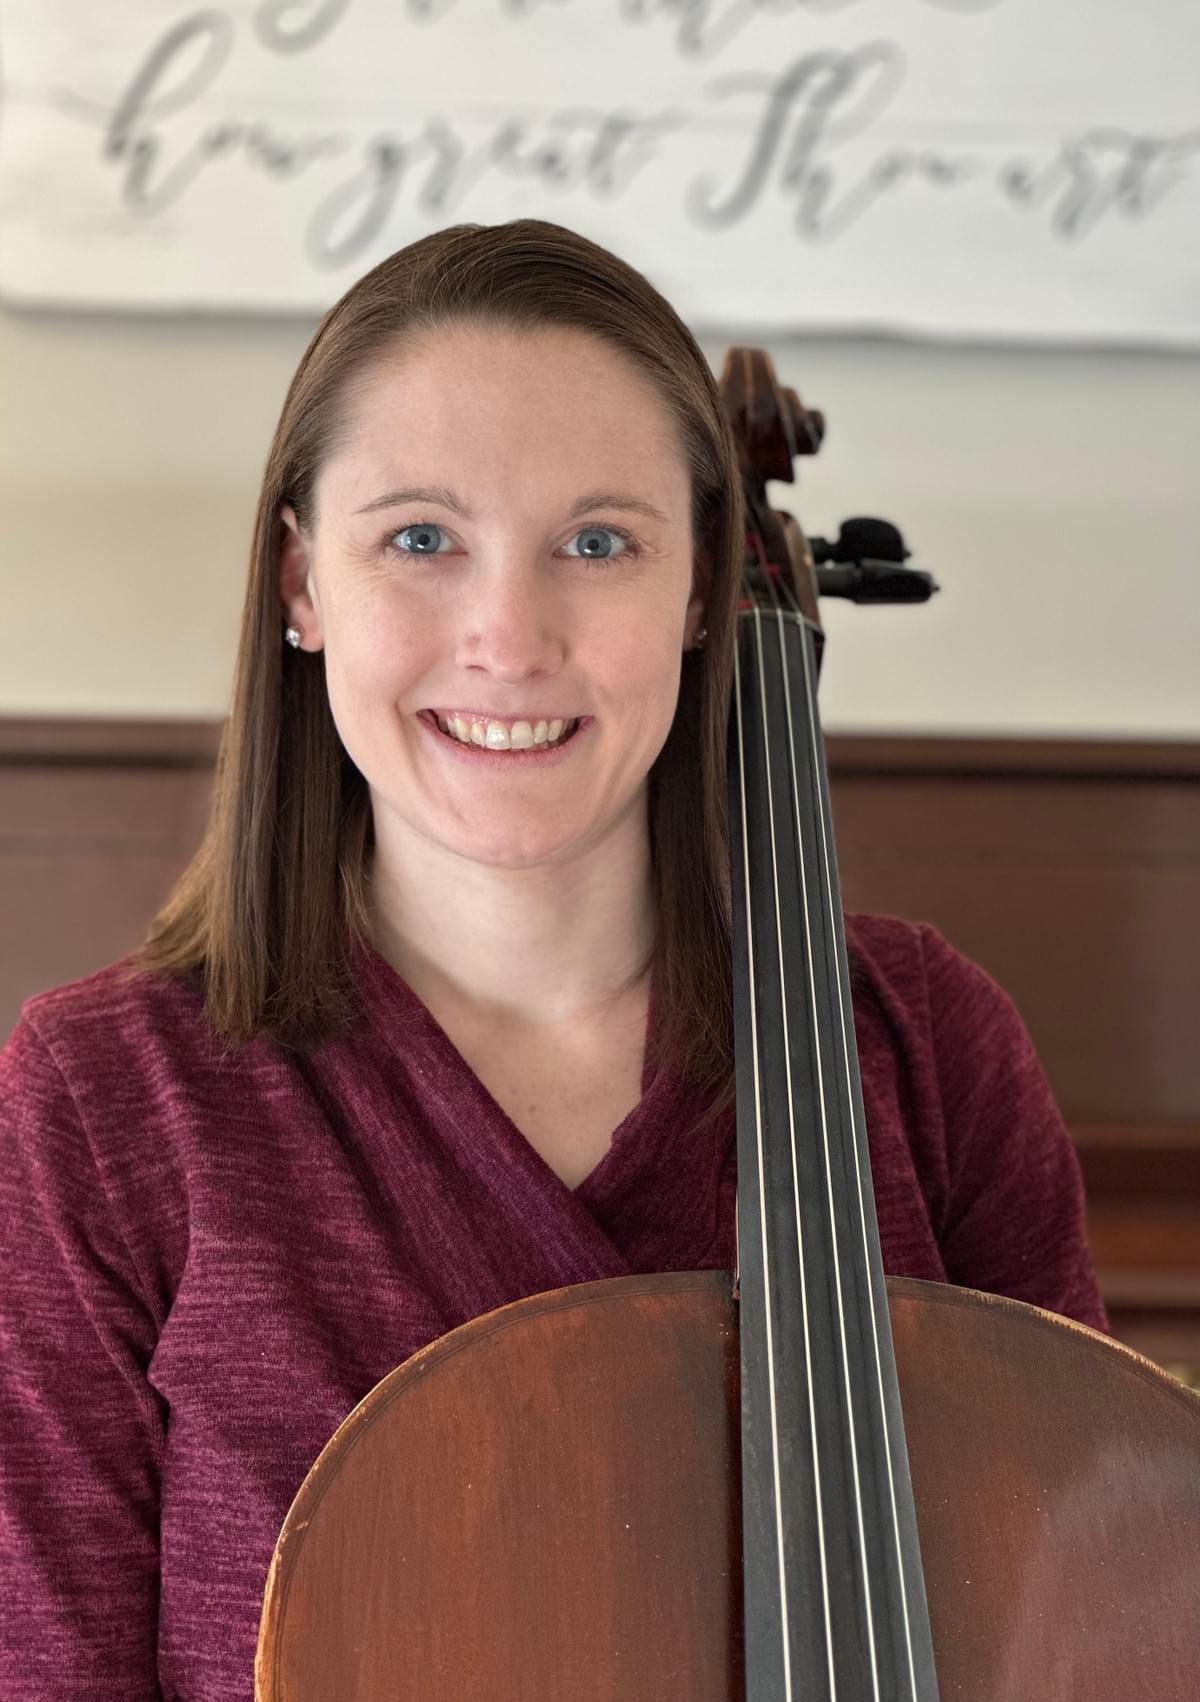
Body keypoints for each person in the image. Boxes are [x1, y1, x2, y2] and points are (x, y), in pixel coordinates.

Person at [0, 219, 1107, 1700]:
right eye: (420, 538)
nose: (509, 639)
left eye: (597, 542)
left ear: (703, 588)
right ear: (302, 584)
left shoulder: (930, 1048)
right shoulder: (99, 1105)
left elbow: (1091, 1627)